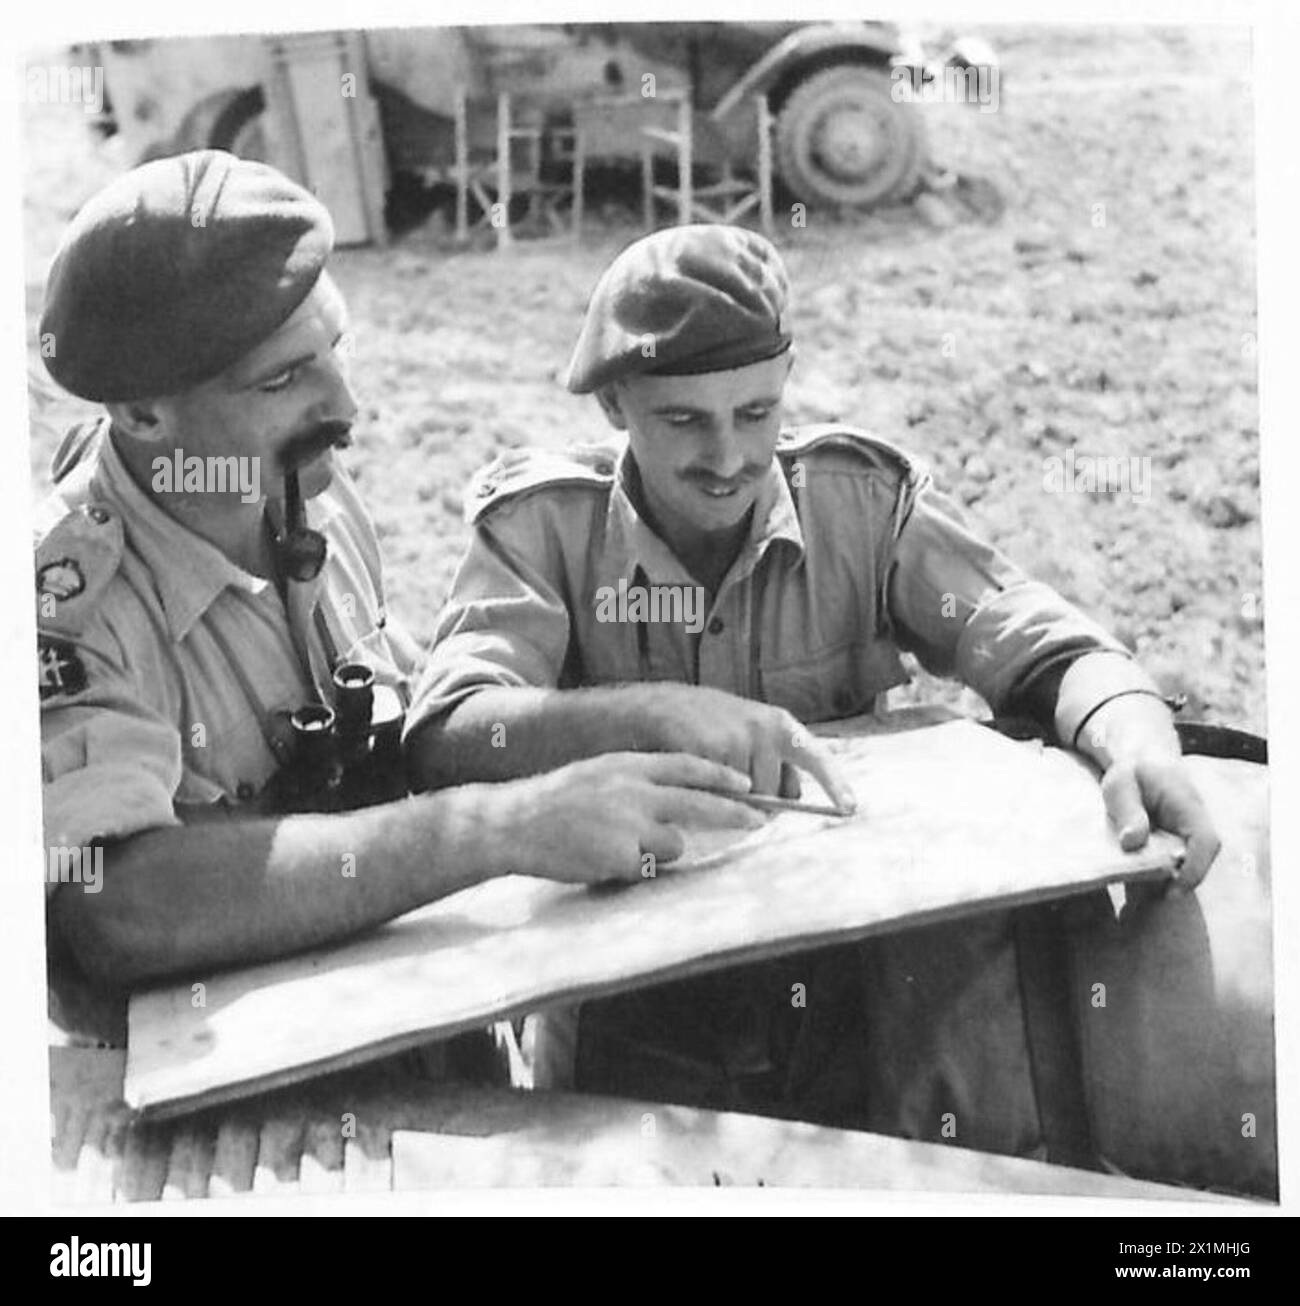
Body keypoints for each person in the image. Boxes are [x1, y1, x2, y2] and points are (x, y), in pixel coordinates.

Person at [404, 223, 1274, 1194]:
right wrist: (646, 716)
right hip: (628, 992)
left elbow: (1046, 650)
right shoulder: (543, 529)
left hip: (857, 986)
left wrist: (1138, 738)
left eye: (756, 411)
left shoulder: (858, 506)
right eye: (682, 421)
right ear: (613, 403)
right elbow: (451, 733)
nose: (729, 455)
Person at [35, 155, 763, 1048]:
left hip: (403, 1021)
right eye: (282, 381)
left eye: (334, 351)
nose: (346, 402)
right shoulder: (69, 608)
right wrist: (499, 827)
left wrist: (632, 728)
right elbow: (114, 908)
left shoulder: (304, 495)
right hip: (225, 1106)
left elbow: (406, 724)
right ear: (144, 416)